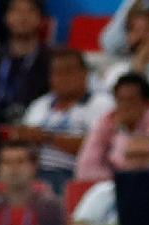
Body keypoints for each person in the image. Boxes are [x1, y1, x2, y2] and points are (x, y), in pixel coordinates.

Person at [16, 50, 104, 188]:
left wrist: (48, 138)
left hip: (75, 175)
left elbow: (97, 146)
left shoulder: (100, 104)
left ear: (85, 73)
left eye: (68, 71)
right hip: (36, 173)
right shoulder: (40, 105)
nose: (62, 78)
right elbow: (26, 142)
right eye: (56, 72)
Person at [77, 74, 149, 183]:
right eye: (121, 100)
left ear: (146, 103)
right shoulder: (106, 121)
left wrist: (122, 130)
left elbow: (131, 165)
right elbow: (84, 170)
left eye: (131, 100)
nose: (125, 106)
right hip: (113, 187)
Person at [97, 6, 149, 112]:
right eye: (136, 30)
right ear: (127, 36)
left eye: (148, 30)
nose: (141, 35)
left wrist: (140, 64)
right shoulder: (117, 69)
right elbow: (110, 104)